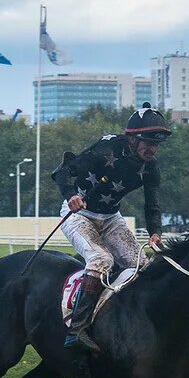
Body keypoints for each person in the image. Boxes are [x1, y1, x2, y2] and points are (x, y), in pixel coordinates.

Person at [51, 102, 170, 354]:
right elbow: (62, 172)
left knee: (141, 266)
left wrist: (155, 233)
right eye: (148, 142)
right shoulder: (107, 147)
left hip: (111, 218)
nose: (152, 149)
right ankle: (77, 329)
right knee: (101, 258)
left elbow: (153, 203)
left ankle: (128, 320)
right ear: (132, 139)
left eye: (156, 144)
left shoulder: (151, 167)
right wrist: (72, 195)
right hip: (78, 214)